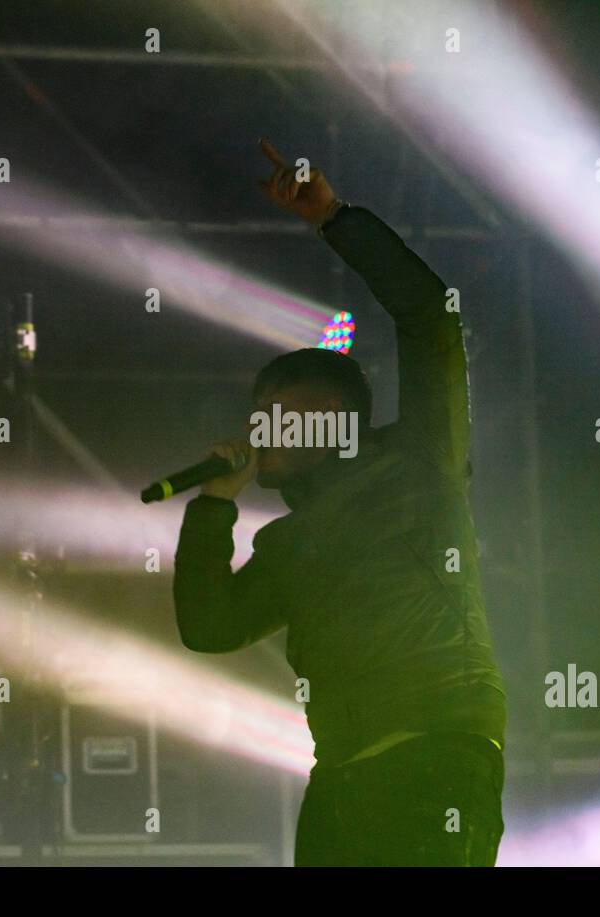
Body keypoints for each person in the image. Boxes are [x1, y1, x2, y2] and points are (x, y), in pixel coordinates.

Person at [172, 139, 507, 866]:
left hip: (434, 758)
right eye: (264, 414)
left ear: (342, 424)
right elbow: (208, 626)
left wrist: (332, 216)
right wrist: (211, 511)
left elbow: (430, 319)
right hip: (343, 776)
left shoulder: (420, 460)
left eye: (290, 414)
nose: (269, 430)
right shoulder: (291, 546)